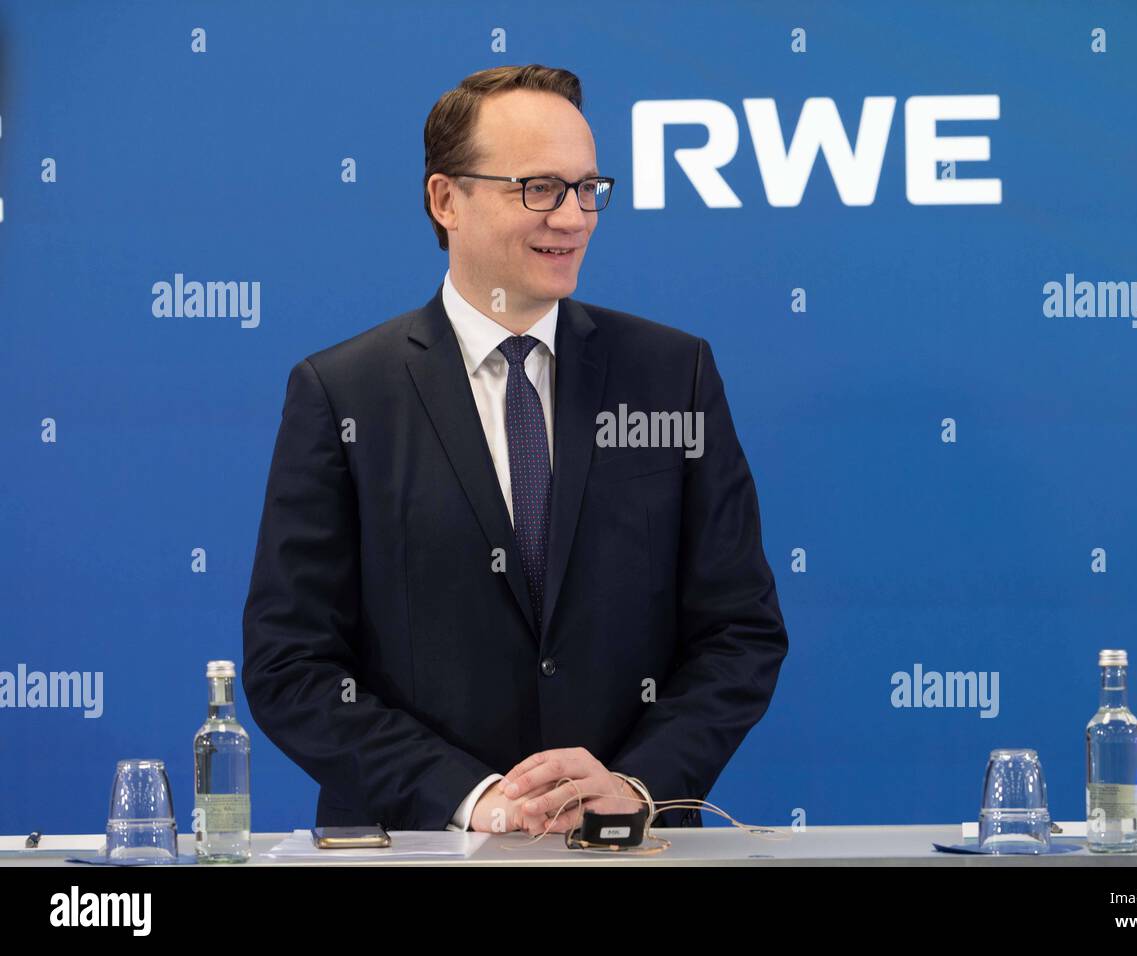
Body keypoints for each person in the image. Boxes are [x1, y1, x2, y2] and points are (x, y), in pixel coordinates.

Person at [241, 64, 787, 836]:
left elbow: (739, 633)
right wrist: (472, 798)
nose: (573, 218)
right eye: (538, 188)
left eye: (588, 187)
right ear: (445, 200)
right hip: (419, 845)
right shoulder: (341, 394)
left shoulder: (674, 374)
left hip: (626, 851)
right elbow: (291, 666)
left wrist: (634, 785)